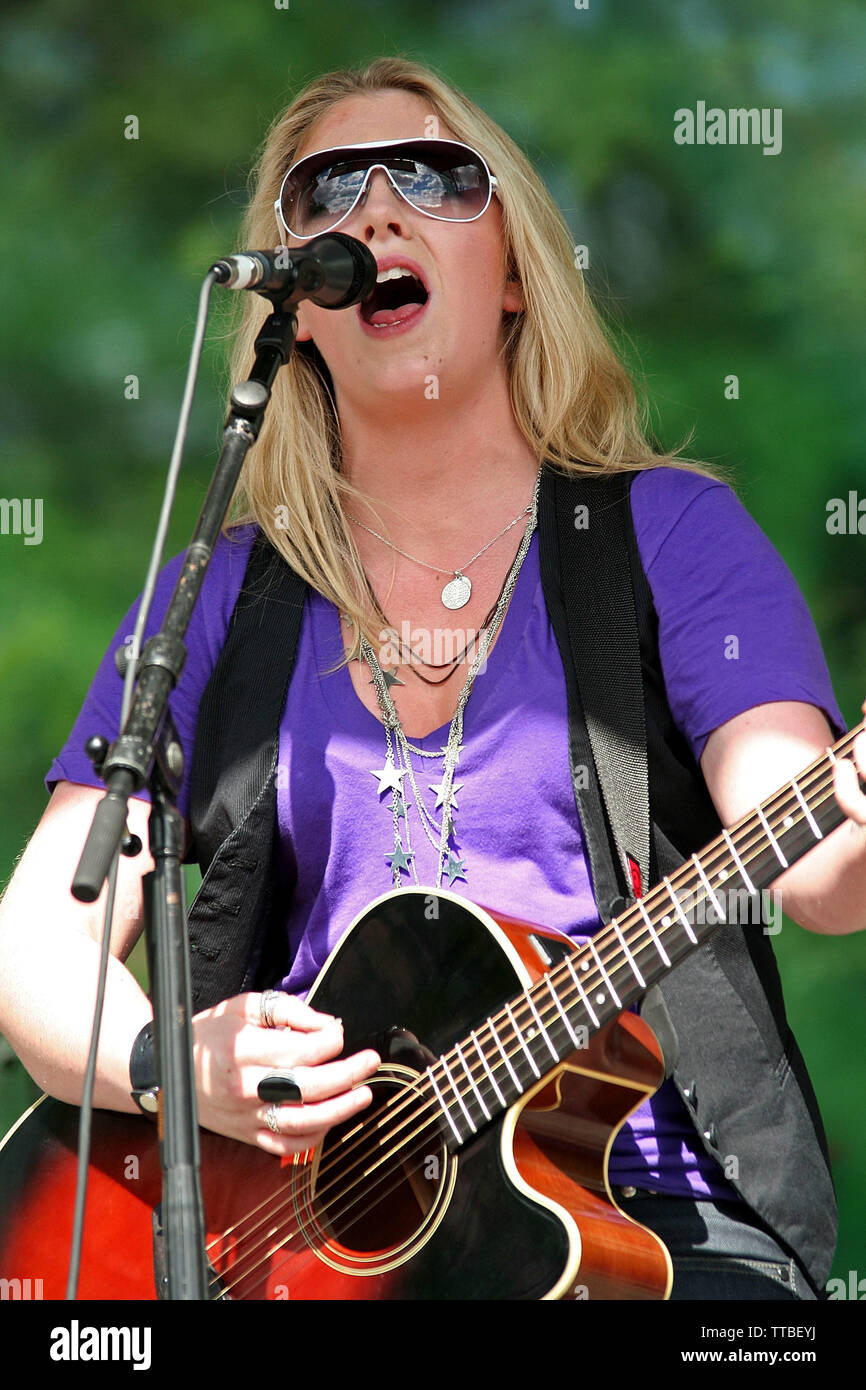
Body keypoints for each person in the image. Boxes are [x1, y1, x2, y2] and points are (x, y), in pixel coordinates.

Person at [0, 56, 864, 1302]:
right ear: (294, 306)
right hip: (298, 1254)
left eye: (436, 176)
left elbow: (817, 865)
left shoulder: (672, 539)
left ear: (514, 274)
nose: (376, 210)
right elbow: (40, 937)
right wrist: (165, 1060)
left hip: (646, 1229)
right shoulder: (220, 599)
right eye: (327, 190)